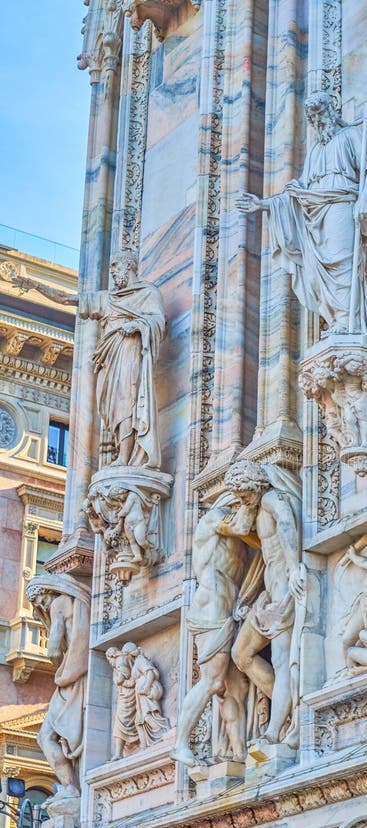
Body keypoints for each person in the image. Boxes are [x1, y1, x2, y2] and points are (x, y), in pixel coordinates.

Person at [236, 91, 367, 345]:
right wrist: (263, 205)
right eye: (312, 116)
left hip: (342, 203)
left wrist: (364, 198)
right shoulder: (316, 150)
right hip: (315, 211)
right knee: (315, 272)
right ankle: (338, 321)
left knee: (341, 262)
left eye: (320, 113)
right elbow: (298, 192)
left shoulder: (351, 136)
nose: (317, 120)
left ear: (331, 111)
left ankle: (348, 321)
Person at [14, 251, 165, 468]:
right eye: (110, 266)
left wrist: (137, 325)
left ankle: (125, 458)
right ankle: (121, 454)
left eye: (115, 265)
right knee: (111, 406)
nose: (112, 271)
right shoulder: (107, 298)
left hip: (130, 350)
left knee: (126, 401)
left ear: (130, 265)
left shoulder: (148, 293)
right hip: (109, 357)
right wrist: (34, 284)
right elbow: (68, 298)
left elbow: (159, 321)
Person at [217, 461, 305, 746]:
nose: (242, 500)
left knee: (281, 662)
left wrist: (294, 569)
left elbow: (288, 523)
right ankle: (286, 710)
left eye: (243, 494)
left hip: (285, 591)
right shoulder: (255, 507)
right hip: (269, 593)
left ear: (255, 486)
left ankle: (274, 730)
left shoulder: (271, 499)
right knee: (240, 654)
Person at [171, 505, 249, 767]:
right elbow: (241, 526)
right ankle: (180, 743)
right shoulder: (213, 517)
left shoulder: (238, 548)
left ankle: (239, 753)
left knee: (237, 687)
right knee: (212, 681)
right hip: (211, 607)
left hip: (230, 607)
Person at [26, 575, 90, 812]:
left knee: (45, 737)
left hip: (70, 678)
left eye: (40, 598)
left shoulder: (59, 604)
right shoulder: (80, 602)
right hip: (84, 671)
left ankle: (70, 787)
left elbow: (53, 648)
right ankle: (72, 788)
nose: (42, 605)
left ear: (50, 590)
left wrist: (60, 665)